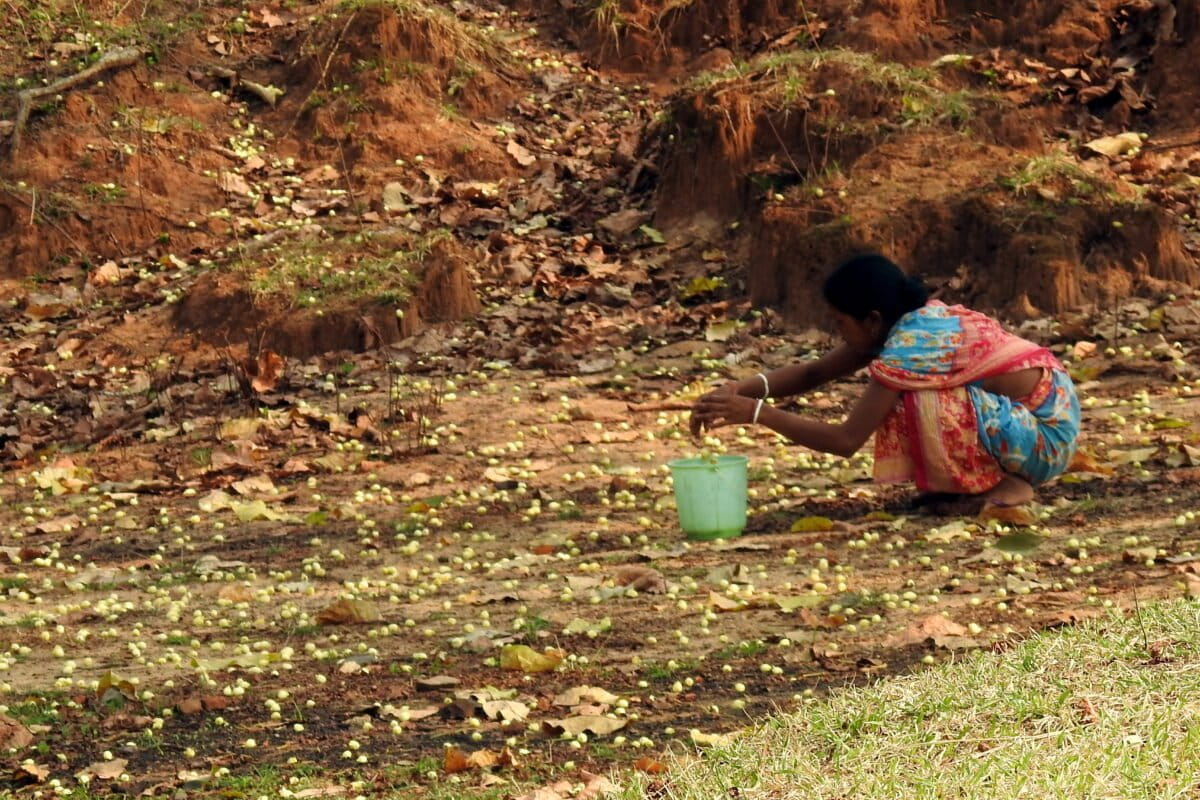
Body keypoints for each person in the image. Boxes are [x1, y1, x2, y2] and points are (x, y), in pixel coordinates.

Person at [689, 254, 1080, 511]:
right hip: (1035, 424)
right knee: (910, 394)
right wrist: (736, 391)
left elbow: (845, 441)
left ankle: (1007, 487)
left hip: (1043, 437)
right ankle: (969, 485)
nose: (837, 333)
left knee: (914, 401)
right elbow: (815, 372)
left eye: (841, 322)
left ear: (872, 319)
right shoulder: (903, 326)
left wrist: (758, 413)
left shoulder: (911, 346)